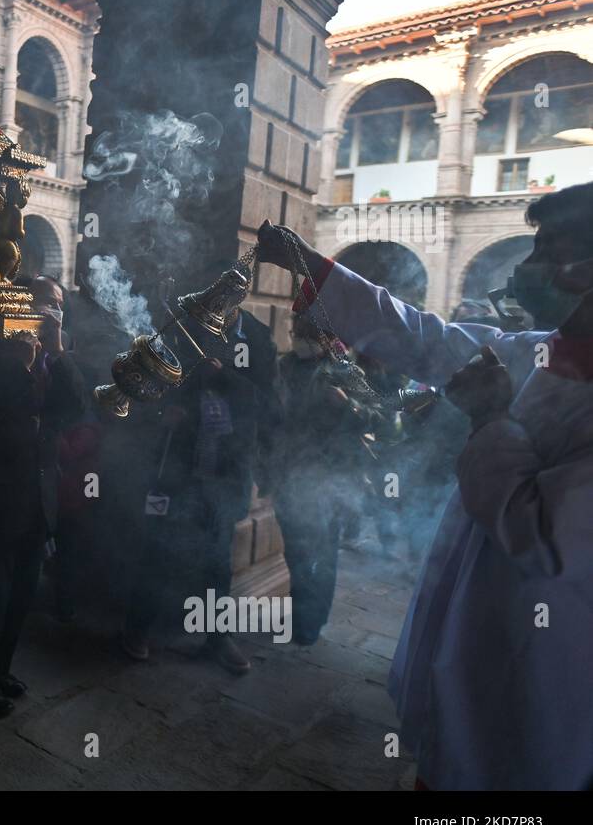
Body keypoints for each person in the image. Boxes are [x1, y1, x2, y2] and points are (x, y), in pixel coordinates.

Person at [254, 181, 593, 789]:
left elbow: (548, 536)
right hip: (483, 627)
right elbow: (424, 339)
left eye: (546, 251)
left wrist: (491, 419)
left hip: (548, 662)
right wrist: (312, 265)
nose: (527, 267)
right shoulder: (540, 353)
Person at [119, 303, 280, 674]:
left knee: (217, 563)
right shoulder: (181, 327)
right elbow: (147, 387)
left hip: (223, 476)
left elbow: (269, 404)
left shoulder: (255, 338)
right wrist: (165, 416)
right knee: (157, 551)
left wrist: (226, 379)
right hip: (176, 471)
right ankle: (137, 628)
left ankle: (216, 637)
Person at [0, 278, 85, 718]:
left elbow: (74, 410)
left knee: (21, 594)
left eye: (59, 305)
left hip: (38, 495)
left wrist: (58, 352)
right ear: (19, 303)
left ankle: (1, 668)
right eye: (45, 303)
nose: (52, 311)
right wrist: (21, 363)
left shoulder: (56, 355)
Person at [270, 314, 379, 643]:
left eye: (306, 333)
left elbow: (381, 420)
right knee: (295, 552)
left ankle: (309, 624)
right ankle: (301, 612)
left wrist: (348, 407)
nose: (298, 338)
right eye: (295, 331)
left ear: (326, 338)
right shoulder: (282, 367)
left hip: (329, 479)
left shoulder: (346, 372)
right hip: (290, 475)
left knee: (321, 553)